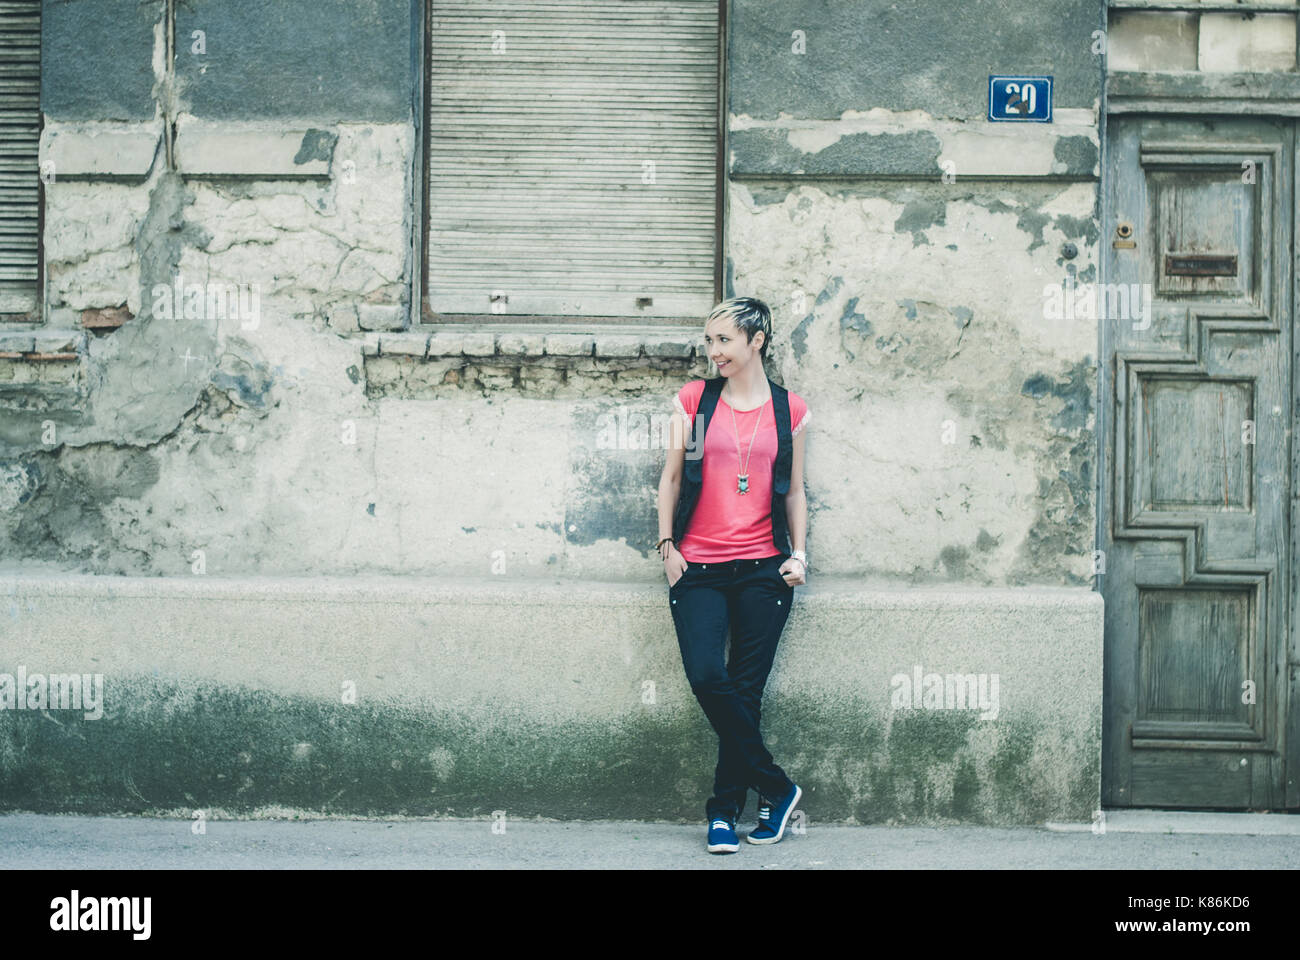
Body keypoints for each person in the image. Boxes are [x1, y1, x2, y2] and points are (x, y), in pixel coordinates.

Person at [655, 296, 810, 854]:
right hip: (697, 566)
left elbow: (793, 489)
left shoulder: (790, 410)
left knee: (744, 693)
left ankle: (724, 815)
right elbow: (671, 479)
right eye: (710, 341)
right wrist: (667, 545)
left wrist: (799, 556)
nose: (713, 351)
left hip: (765, 572)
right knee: (706, 676)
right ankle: (778, 787)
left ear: (756, 341)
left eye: (724, 340)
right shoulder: (695, 402)